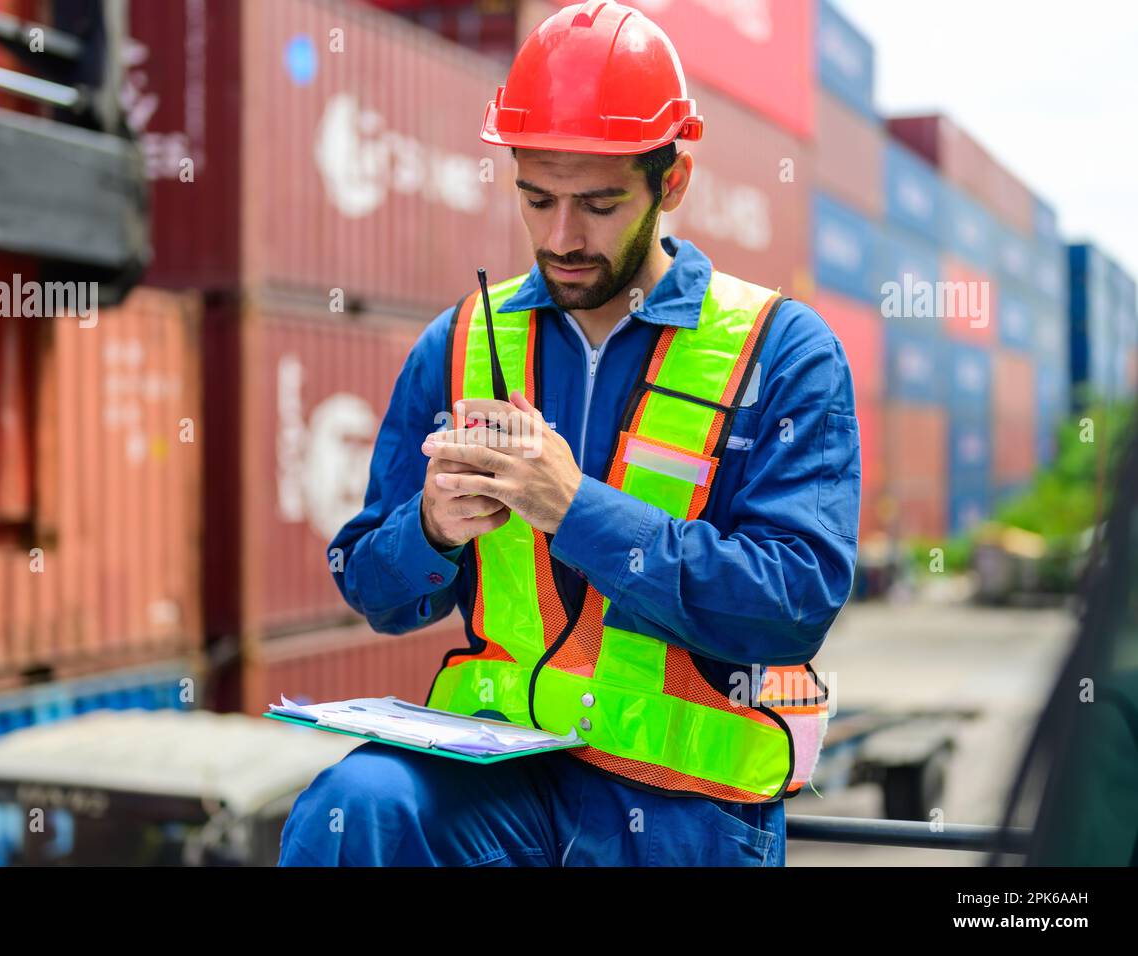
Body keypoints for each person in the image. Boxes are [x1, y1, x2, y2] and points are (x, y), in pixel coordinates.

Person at [278, 0, 860, 867]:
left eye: (597, 203)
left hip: (685, 816)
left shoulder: (780, 352)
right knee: (355, 808)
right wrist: (430, 530)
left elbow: (792, 607)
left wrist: (577, 510)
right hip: (502, 780)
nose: (561, 237)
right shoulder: (462, 343)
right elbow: (371, 585)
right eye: (536, 197)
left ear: (673, 182)